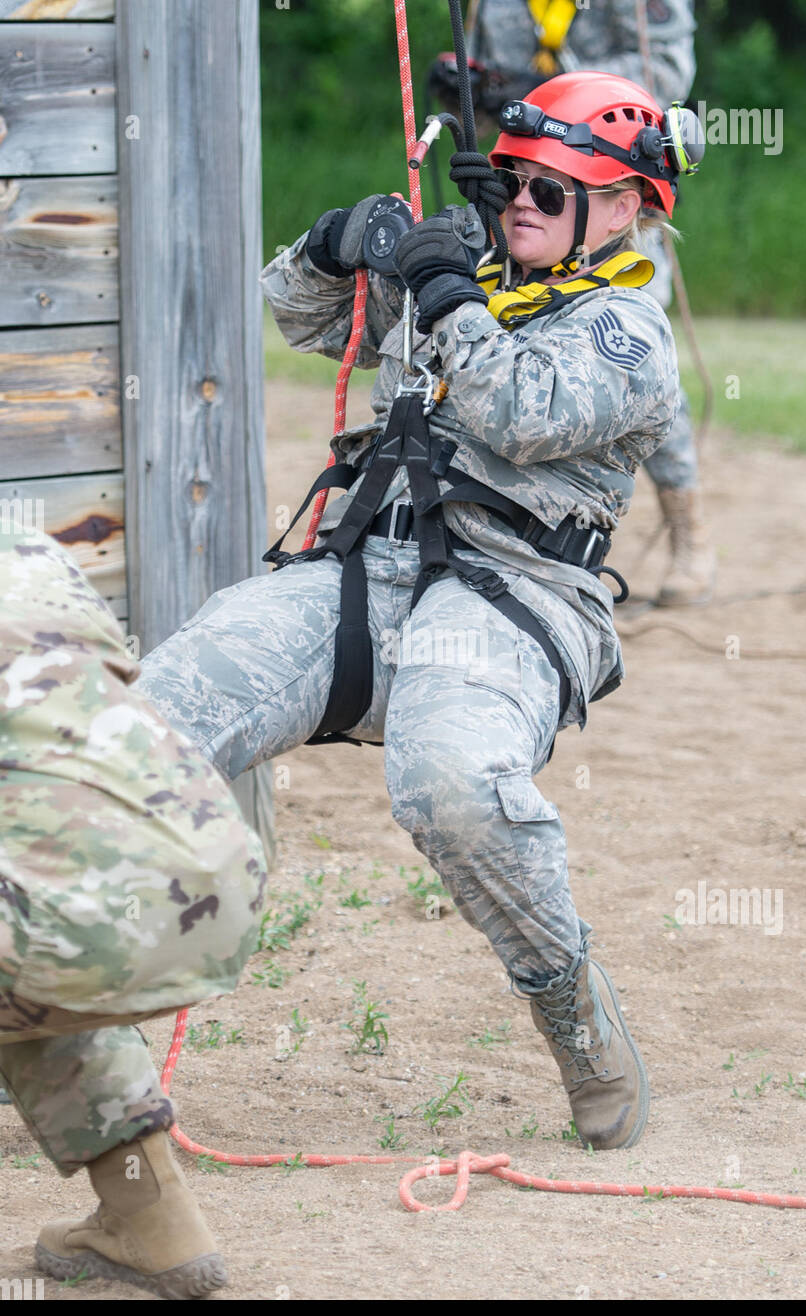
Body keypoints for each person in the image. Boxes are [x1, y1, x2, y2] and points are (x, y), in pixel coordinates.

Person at [136, 70, 697, 1152]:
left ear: (625, 208)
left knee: (451, 785)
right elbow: (298, 316)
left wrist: (447, 295)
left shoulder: (627, 333)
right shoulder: (470, 271)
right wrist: (336, 243)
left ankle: (571, 1006)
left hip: (511, 600)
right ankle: (63, 1005)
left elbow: (522, 411)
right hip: (361, 575)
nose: (524, 199)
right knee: (155, 718)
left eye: (557, 187)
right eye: (518, 177)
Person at [0, 524, 268, 1298]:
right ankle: (152, 1219)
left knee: (36, 925)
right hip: (210, 877)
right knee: (41, 935)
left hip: (62, 915)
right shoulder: (27, 549)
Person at [431, 0, 715, 604]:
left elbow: (660, 75)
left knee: (631, 363)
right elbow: (497, 109)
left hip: (601, 195)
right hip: (530, 195)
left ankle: (689, 533)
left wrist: (536, 95)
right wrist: (469, 83)